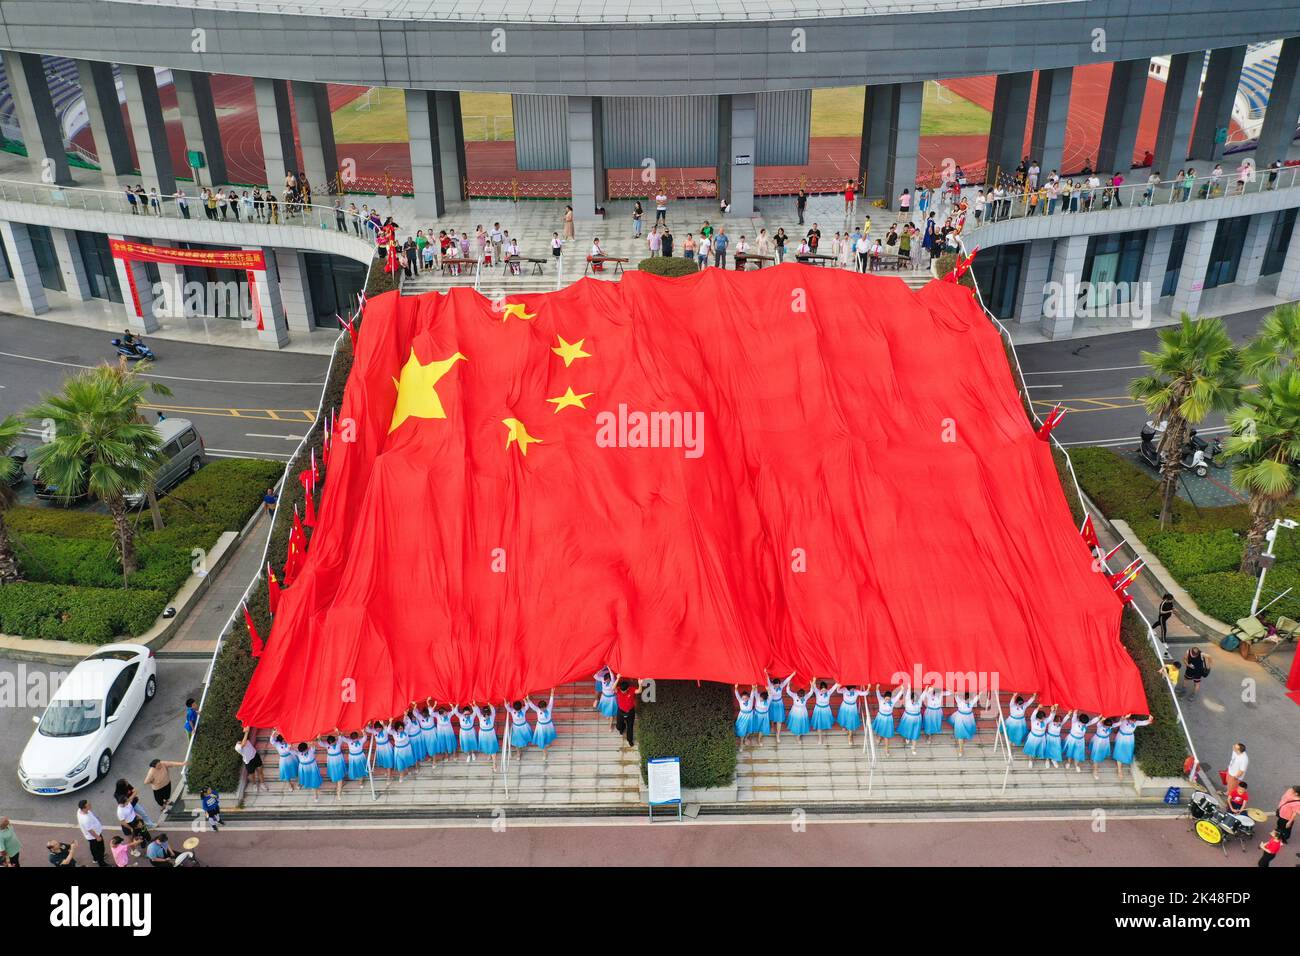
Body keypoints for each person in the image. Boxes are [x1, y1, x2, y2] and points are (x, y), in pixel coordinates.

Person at [1112, 714, 1152, 780]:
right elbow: (1117, 723)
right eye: (1132, 720)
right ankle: (1119, 770)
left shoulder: (1136, 722)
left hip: (1130, 738)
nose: (1133, 721)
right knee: (1119, 751)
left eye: (1135, 720)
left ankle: (1124, 759)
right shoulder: (1124, 720)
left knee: (1127, 750)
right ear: (1129, 718)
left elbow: (1145, 722)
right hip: (1121, 737)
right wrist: (1124, 718)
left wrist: (1149, 719)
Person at [77, 800, 108, 866]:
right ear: (84, 808)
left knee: (93, 847)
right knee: (100, 849)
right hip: (94, 836)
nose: (90, 805)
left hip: (90, 837)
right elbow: (90, 830)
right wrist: (97, 837)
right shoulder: (85, 819)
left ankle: (95, 858)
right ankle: (102, 863)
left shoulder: (80, 811)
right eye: (88, 805)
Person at [871, 684, 900, 754]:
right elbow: (877, 693)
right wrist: (877, 688)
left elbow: (898, 696)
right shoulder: (880, 700)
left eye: (889, 699)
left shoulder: (892, 701)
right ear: (884, 697)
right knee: (880, 729)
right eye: (886, 699)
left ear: (890, 698)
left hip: (888, 719)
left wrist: (902, 690)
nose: (887, 700)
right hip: (881, 717)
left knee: (886, 735)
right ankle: (879, 737)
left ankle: (886, 749)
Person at [949, 691, 980, 757]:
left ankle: (962, 742)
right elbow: (956, 695)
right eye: (966, 699)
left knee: (966, 731)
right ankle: (961, 750)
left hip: (968, 718)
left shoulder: (971, 702)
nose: (967, 700)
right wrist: (955, 693)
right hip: (961, 718)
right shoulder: (960, 701)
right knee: (960, 734)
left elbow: (977, 696)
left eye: (968, 699)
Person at [896, 685, 923, 754]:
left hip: (917, 719)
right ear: (911, 698)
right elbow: (908, 694)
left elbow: (923, 696)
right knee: (907, 729)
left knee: (915, 733)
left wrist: (926, 690)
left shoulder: (919, 701)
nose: (915, 699)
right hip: (908, 718)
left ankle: (913, 748)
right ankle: (907, 738)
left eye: (916, 698)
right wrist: (909, 688)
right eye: (914, 698)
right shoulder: (908, 701)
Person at [766, 671, 793, 742]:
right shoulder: (770, 685)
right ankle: (772, 725)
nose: (777, 686)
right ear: (773, 684)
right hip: (772, 703)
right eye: (775, 685)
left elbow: (787, 680)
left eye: (778, 685)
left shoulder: (781, 686)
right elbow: (767, 678)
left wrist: (792, 674)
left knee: (779, 720)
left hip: (779, 704)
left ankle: (777, 736)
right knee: (772, 716)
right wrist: (766, 672)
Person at [615, 678, 642, 747]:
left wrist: (640, 684)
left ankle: (630, 740)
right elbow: (612, 688)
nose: (622, 692)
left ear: (627, 688)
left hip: (630, 712)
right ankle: (622, 728)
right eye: (622, 690)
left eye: (624, 691)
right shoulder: (618, 690)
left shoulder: (631, 689)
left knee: (630, 727)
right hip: (621, 712)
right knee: (618, 726)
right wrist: (618, 678)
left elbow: (639, 691)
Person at [476, 703, 500, 769]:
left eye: (487, 713)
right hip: (483, 734)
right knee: (486, 745)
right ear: (483, 713)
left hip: (490, 734)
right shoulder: (480, 716)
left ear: (489, 712)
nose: (486, 715)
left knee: (492, 748)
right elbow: (477, 710)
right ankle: (489, 754)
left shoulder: (492, 716)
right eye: (485, 713)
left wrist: (490, 704)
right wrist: (474, 704)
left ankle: (494, 763)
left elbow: (493, 710)